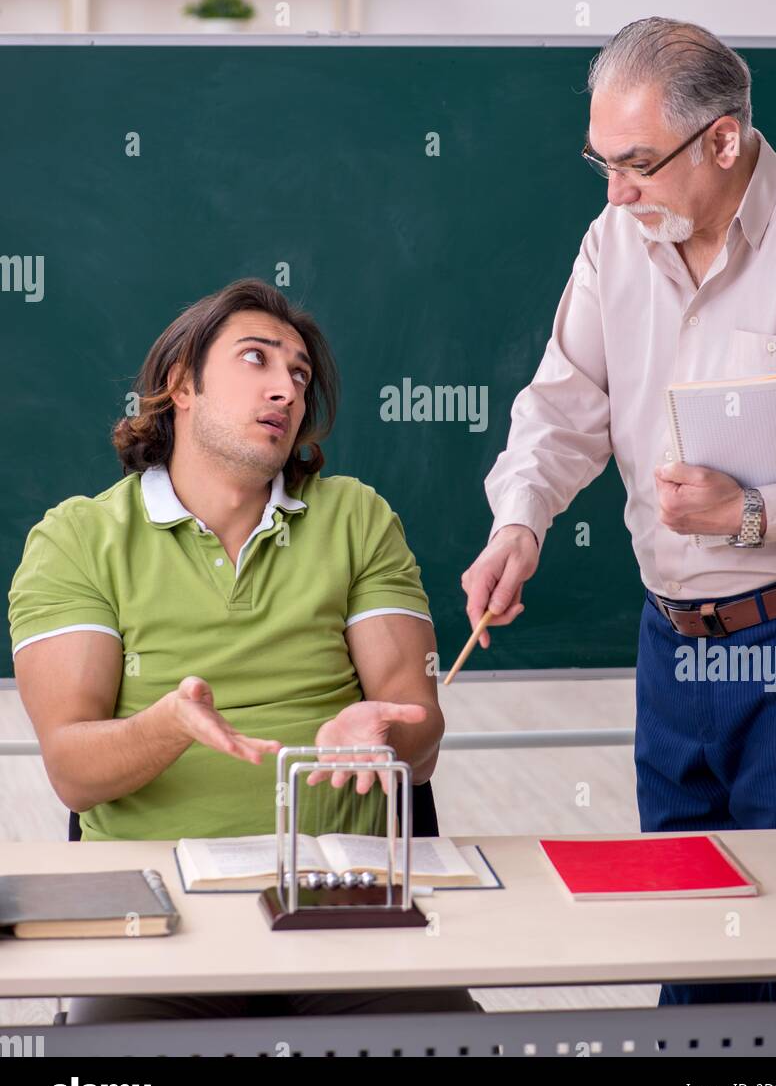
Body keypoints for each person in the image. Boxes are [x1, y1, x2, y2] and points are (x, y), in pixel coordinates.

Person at [461, 16, 776, 1006]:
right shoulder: (614, 241)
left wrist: (758, 510)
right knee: (689, 941)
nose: (616, 192)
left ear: (723, 140)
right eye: (601, 163)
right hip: (674, 643)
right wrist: (521, 520)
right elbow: (561, 410)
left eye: (637, 163)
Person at [9, 276, 477, 1021]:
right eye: (255, 359)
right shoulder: (77, 539)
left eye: (298, 374)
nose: (286, 390)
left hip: (343, 904)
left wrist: (387, 731)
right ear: (180, 386)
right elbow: (73, 771)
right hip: (157, 916)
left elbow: (418, 736)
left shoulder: (357, 517)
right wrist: (166, 725)